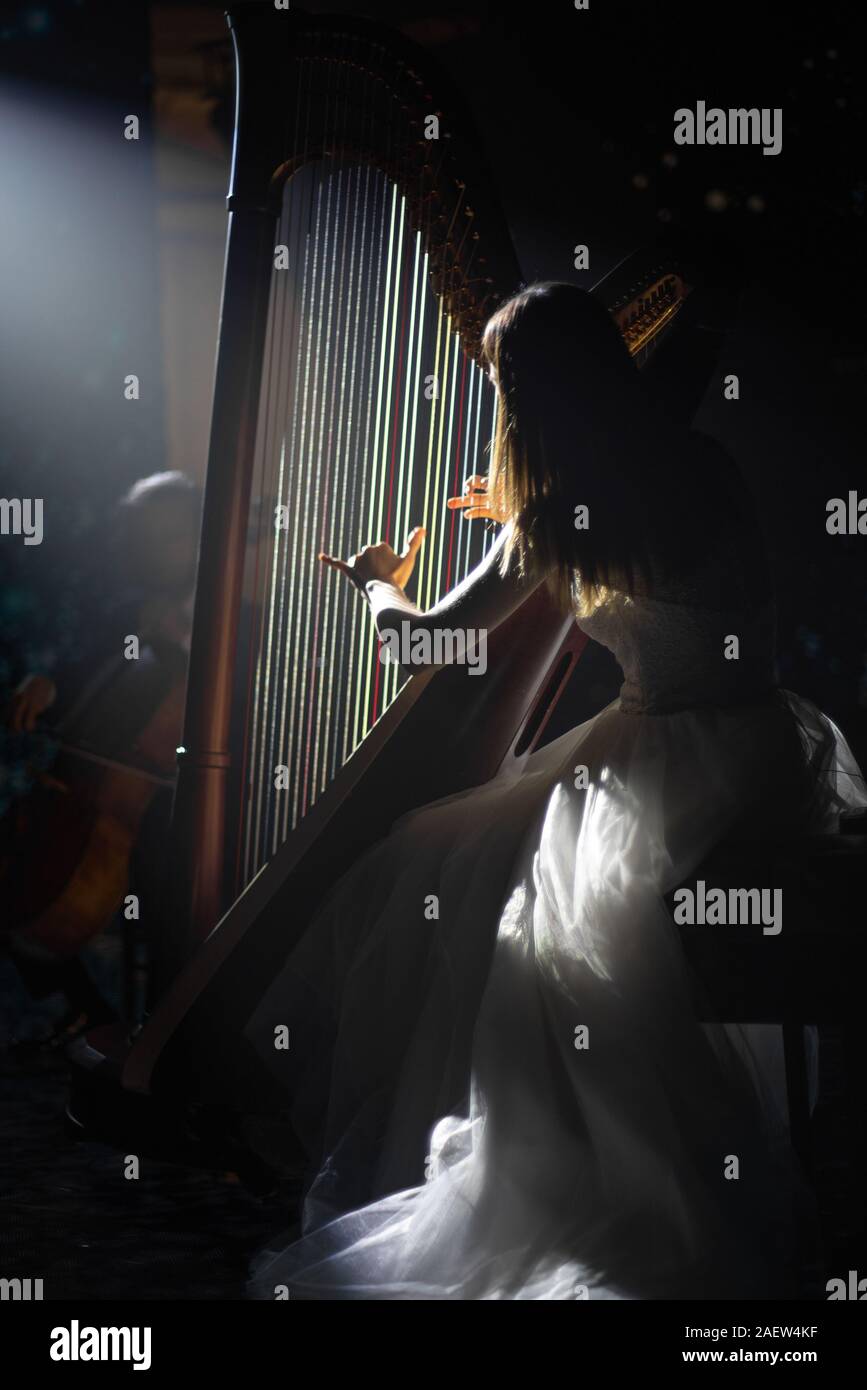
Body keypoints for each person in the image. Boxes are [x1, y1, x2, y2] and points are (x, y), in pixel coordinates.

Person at [243, 283, 866, 1300]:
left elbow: (422, 646)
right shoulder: (700, 462)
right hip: (767, 746)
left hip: (664, 766)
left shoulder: (552, 517)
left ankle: (608, 1200)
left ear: (522, 402)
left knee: (454, 870)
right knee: (484, 851)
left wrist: (375, 580)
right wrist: (532, 525)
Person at [2, 472, 200, 1050]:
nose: (153, 552)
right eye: (143, 538)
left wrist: (181, 645)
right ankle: (92, 1009)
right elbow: (81, 676)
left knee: (170, 877)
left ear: (198, 538)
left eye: (168, 537)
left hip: (168, 795)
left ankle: (168, 1030)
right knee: (17, 879)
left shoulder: (228, 622)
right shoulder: (125, 611)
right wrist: (47, 686)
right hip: (94, 786)